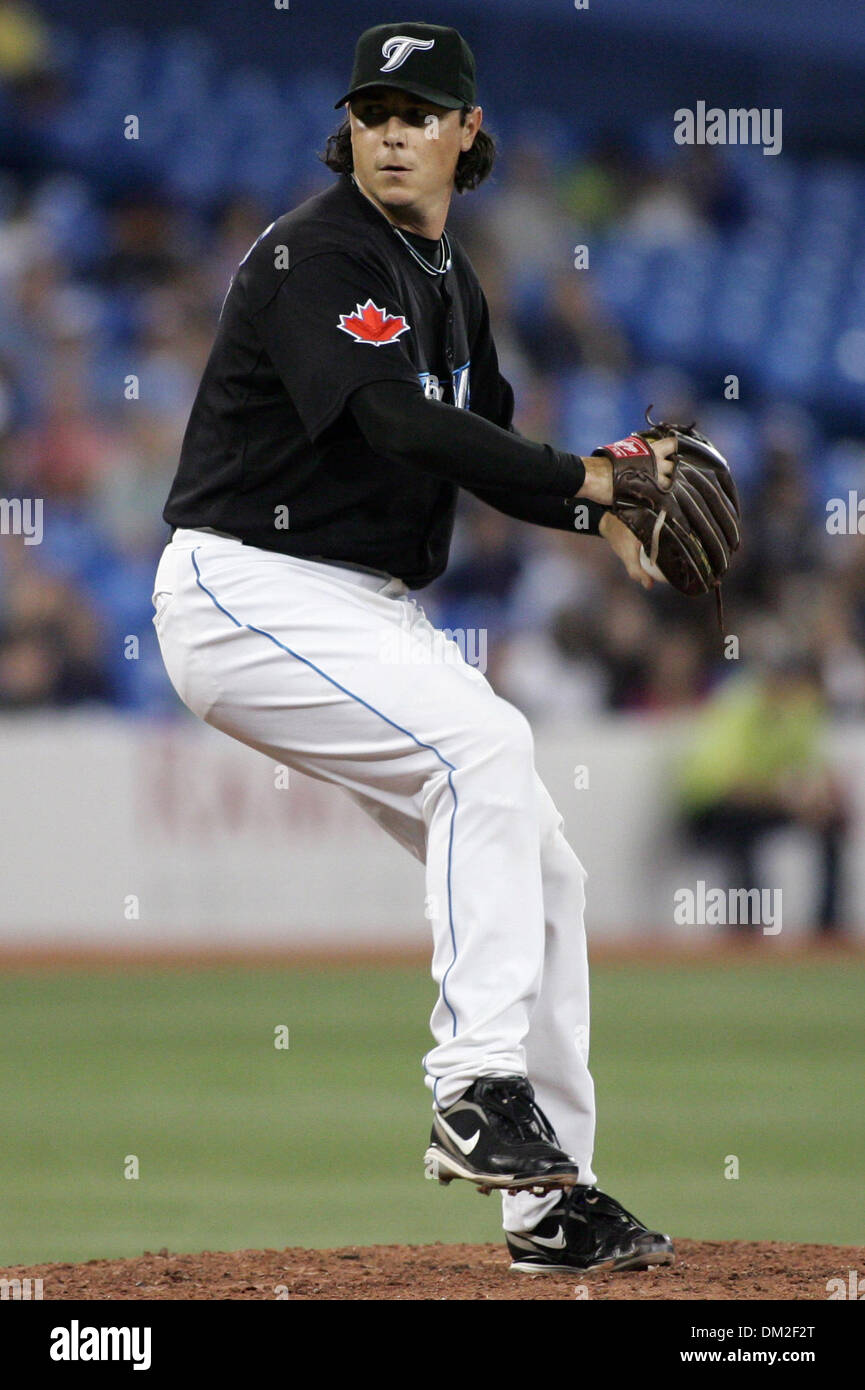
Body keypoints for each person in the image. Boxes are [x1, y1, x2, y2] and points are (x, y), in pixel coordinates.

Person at [152, 20, 675, 1274]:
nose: (390, 129)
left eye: (417, 110)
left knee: (544, 871)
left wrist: (590, 508)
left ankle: (553, 1206)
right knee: (484, 749)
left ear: (465, 132)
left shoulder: (451, 279)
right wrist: (595, 482)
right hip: (244, 584)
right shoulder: (317, 254)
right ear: (351, 128)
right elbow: (397, 423)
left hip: (357, 604)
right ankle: (473, 1083)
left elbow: (482, 445)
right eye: (372, 109)